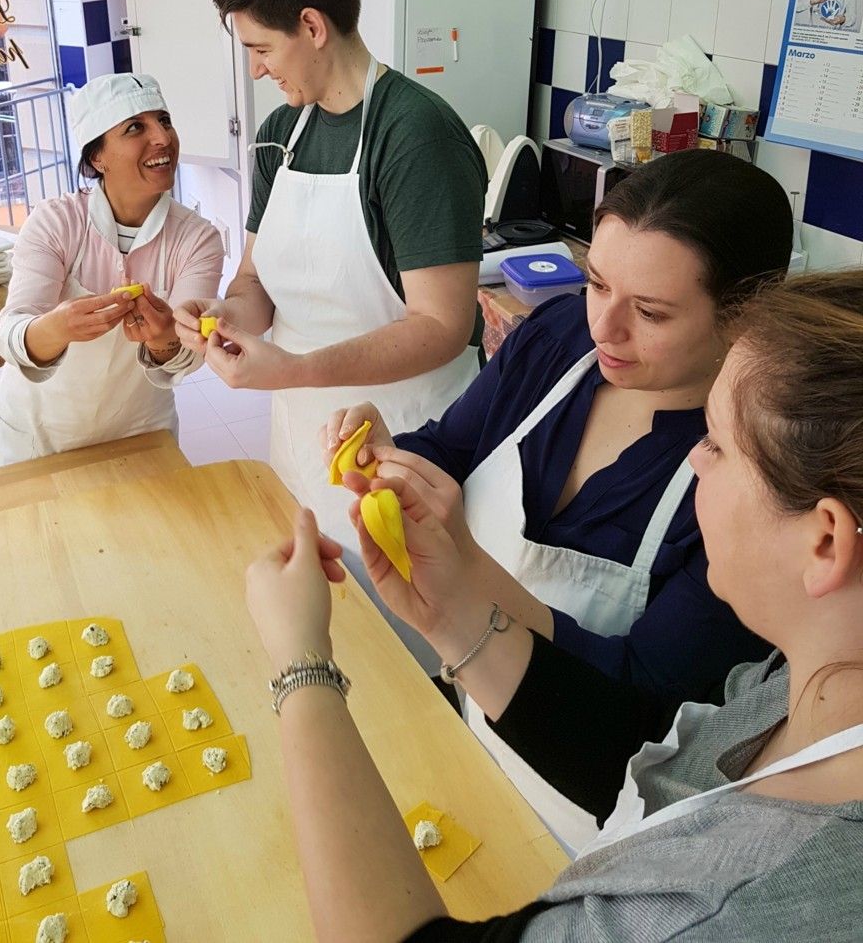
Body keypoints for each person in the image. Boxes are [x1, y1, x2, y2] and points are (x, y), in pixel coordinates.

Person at [246, 271, 863, 941]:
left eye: (717, 444)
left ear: (825, 539)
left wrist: (302, 662)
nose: (694, 459)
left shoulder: (721, 914)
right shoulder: (800, 676)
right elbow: (642, 754)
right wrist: (451, 612)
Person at [323, 150, 790, 849]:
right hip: (469, 734)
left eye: (652, 312)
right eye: (597, 282)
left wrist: (467, 569)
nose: (605, 326)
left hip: (583, 822)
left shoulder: (749, 483)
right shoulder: (558, 338)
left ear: (745, 312)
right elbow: (452, 446)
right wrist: (392, 458)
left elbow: (648, 709)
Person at [173, 0, 486, 604]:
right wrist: (225, 316)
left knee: (410, 660)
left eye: (261, 47)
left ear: (312, 26)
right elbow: (256, 282)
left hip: (406, 453)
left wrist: (292, 367)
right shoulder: (280, 134)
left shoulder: (415, 135)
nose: (255, 68)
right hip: (302, 451)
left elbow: (444, 324)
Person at [0, 73, 224, 472]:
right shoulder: (56, 222)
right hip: (31, 444)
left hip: (139, 443)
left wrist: (163, 339)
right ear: (97, 158)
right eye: (136, 127)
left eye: (165, 121)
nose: (163, 138)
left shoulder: (197, 239)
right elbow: (10, 330)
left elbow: (187, 355)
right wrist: (59, 328)